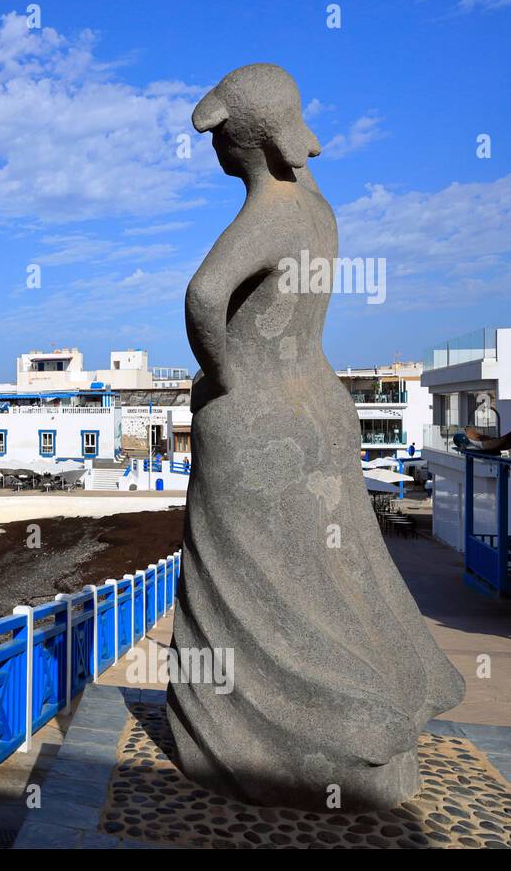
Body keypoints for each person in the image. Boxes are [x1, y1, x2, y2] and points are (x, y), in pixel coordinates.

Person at [166, 64, 463, 811]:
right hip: (321, 407)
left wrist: (224, 373)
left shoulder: (266, 212)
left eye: (221, 138)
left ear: (242, 141)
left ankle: (282, 740)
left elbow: (205, 294)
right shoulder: (320, 212)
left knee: (252, 584)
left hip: (256, 415)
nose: (216, 152)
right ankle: (375, 716)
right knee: (329, 576)